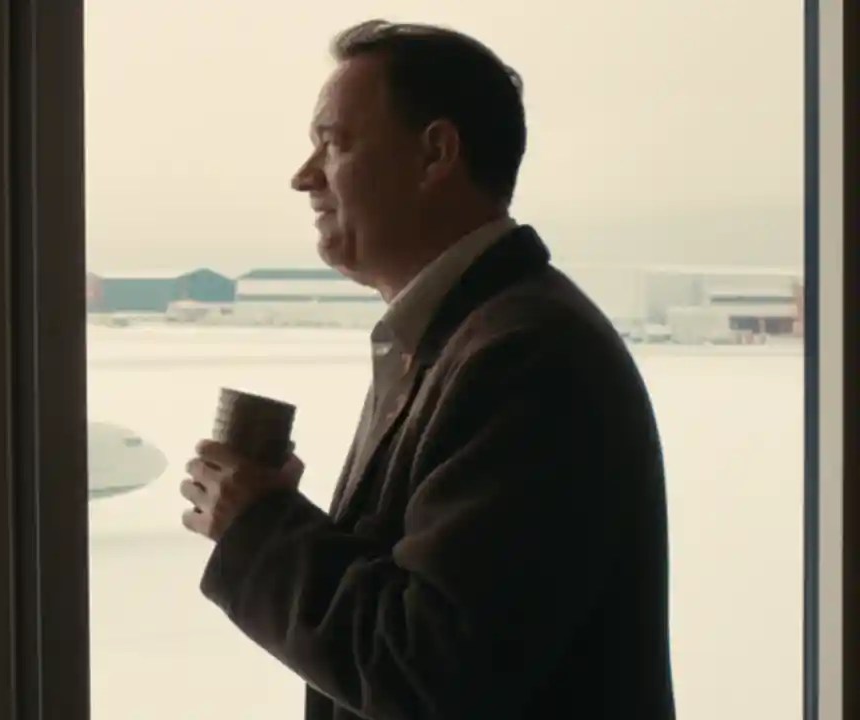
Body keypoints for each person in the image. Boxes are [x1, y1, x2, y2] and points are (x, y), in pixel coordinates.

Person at [179, 19, 676, 720]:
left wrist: (259, 529)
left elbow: (430, 671)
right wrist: (282, 523)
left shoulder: (526, 357)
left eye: (334, 142)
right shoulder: (468, 335)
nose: (304, 177)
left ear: (436, 154)